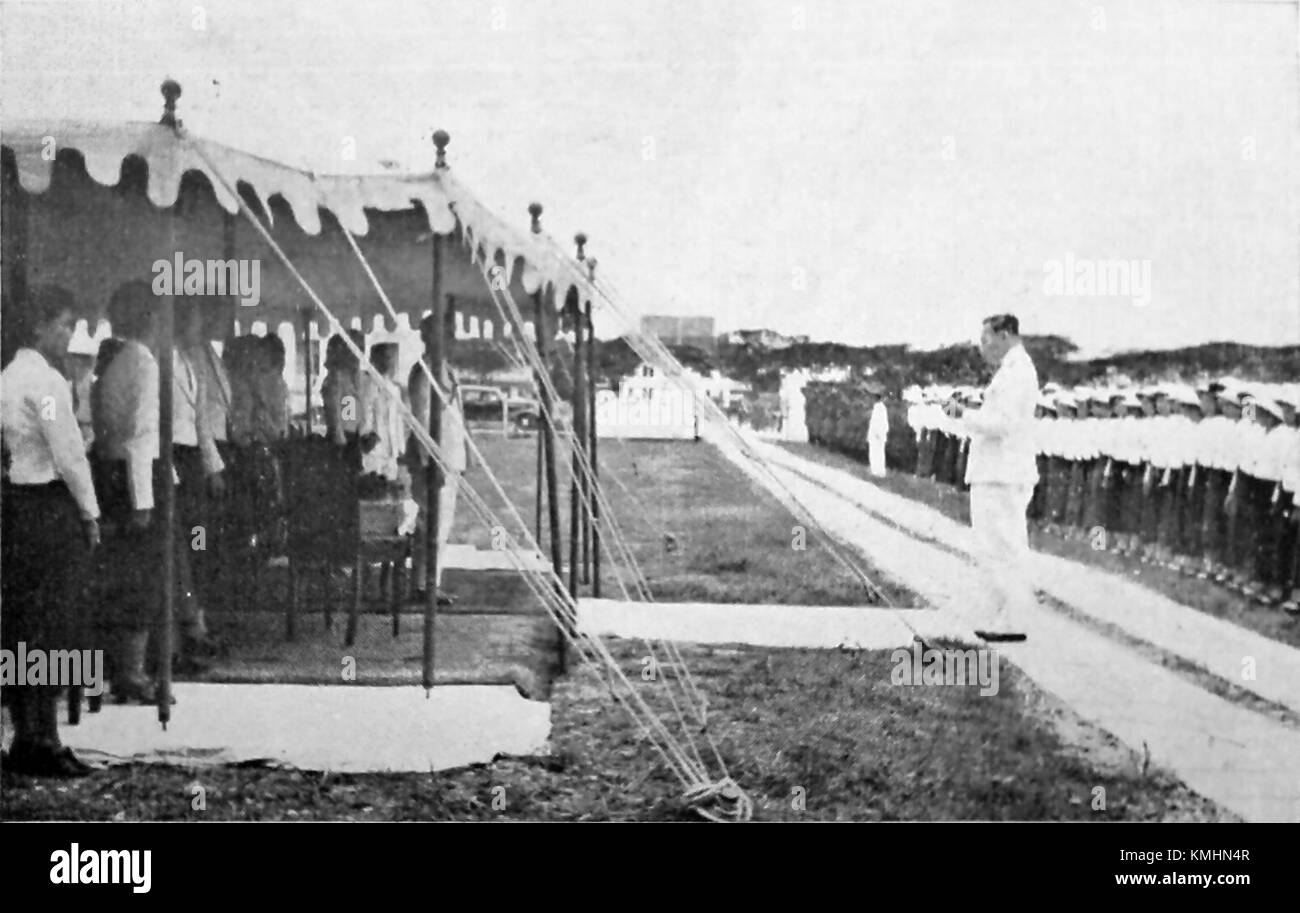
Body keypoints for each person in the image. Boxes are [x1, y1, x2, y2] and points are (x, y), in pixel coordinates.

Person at [1, 285, 101, 776]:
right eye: (63, 324)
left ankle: (29, 735)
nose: (69, 334)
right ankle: (46, 739)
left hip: (17, 507)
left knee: (23, 625)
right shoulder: (47, 383)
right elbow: (68, 454)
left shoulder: (7, 378)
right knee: (55, 623)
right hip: (50, 506)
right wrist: (89, 511)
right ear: (40, 326)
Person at [91, 280, 169, 703]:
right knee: (139, 575)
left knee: (122, 573)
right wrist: (143, 499)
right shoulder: (141, 359)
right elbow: (141, 433)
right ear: (148, 316)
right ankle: (132, 672)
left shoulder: (114, 357)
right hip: (134, 475)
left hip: (112, 473)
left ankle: (124, 666)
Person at [946, 313, 1040, 642]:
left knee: (1003, 546)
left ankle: (1014, 619)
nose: (982, 347)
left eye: (986, 339)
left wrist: (963, 415)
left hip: (1003, 471)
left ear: (1004, 335)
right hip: (997, 470)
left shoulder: (1018, 372)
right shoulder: (1011, 371)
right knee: (996, 546)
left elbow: (1002, 424)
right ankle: (1004, 616)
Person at [406, 314, 469, 602]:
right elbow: (419, 420)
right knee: (431, 524)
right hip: (433, 459)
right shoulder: (423, 371)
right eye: (442, 334)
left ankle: (431, 580)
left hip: (451, 457)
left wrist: (462, 458)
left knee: (442, 524)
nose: (448, 340)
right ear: (428, 337)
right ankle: (423, 584)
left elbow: (456, 418)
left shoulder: (448, 371)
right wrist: (429, 461)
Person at [359, 341, 407, 492]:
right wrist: (365, 436)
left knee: (390, 492)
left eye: (390, 358)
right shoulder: (367, 385)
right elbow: (364, 413)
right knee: (373, 488)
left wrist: (400, 447)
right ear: (374, 359)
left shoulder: (395, 389)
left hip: (390, 450)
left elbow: (397, 420)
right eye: (384, 358)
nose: (388, 362)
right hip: (373, 449)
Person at [866, 384, 889, 478]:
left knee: (877, 453)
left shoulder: (880, 408)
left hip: (878, 435)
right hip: (876, 434)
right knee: (875, 452)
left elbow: (879, 423)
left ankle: (877, 471)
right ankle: (875, 470)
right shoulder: (878, 407)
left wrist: (878, 433)